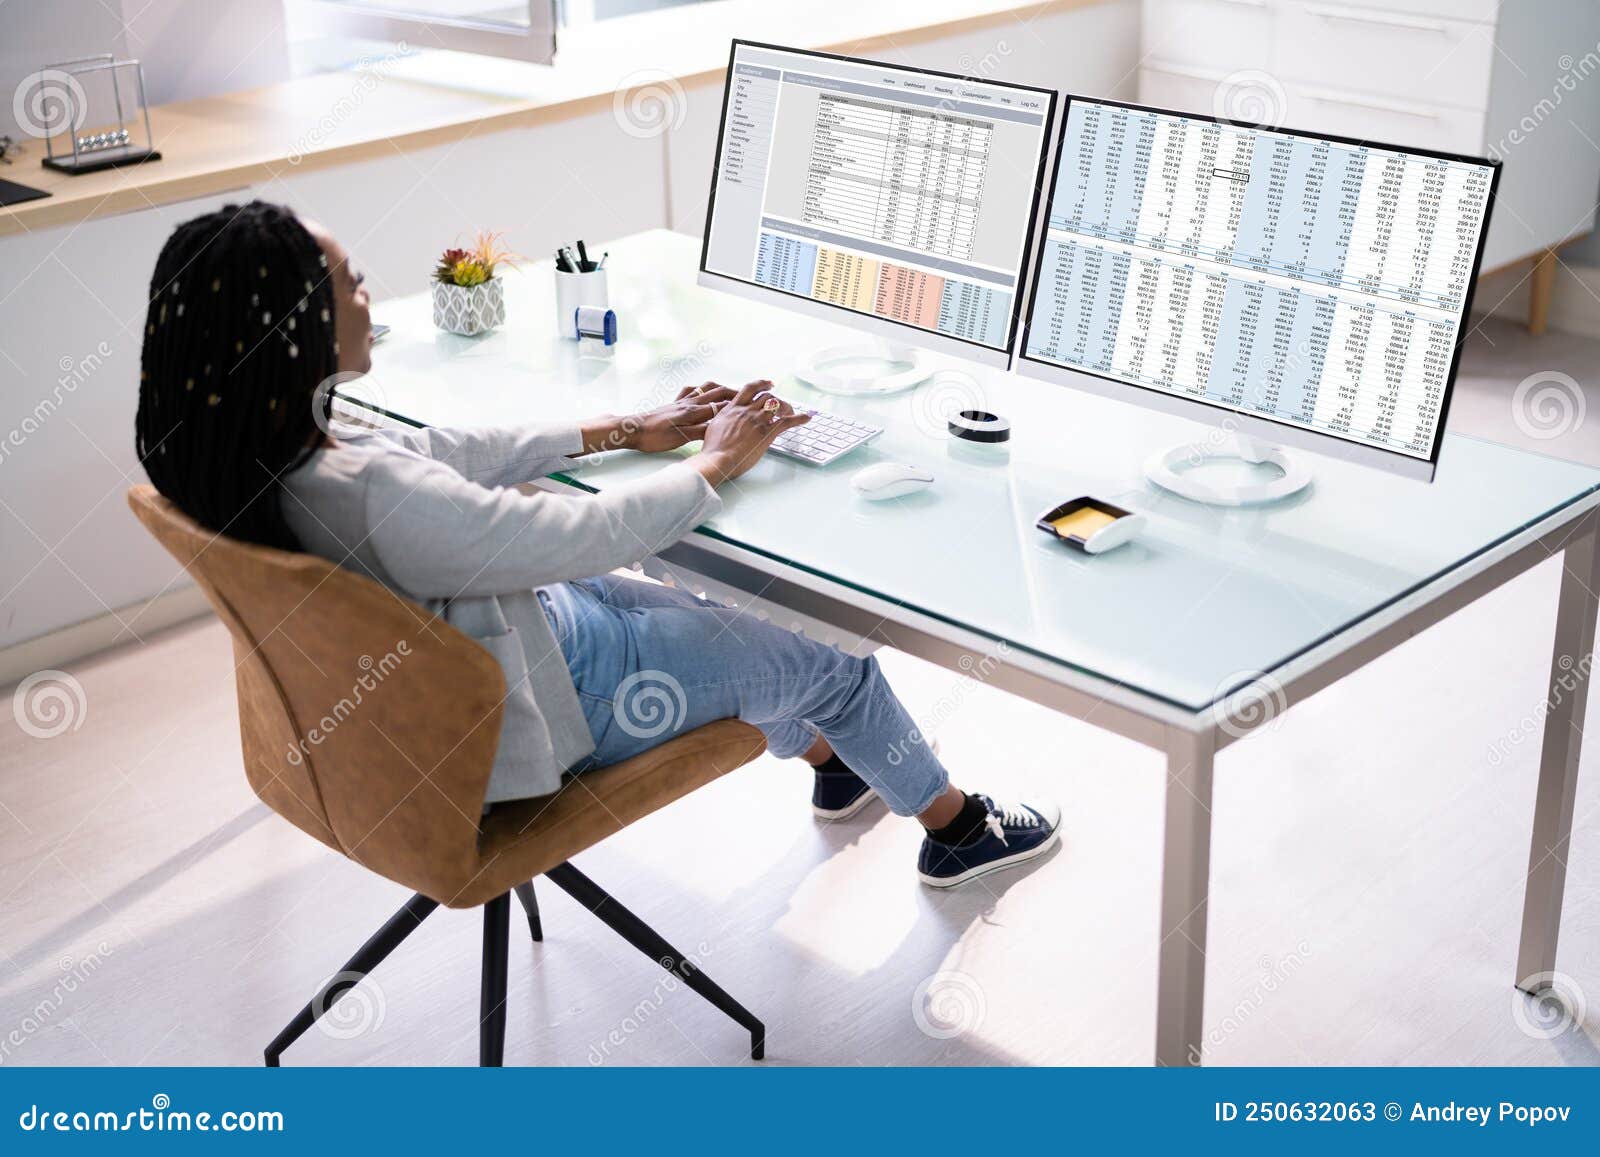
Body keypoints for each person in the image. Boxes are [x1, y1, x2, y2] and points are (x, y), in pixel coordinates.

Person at [134, 200, 1058, 888]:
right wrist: (717, 462)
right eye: (352, 284)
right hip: (553, 702)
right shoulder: (366, 490)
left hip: (508, 647)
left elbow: (442, 450)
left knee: (751, 624)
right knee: (837, 657)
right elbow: (577, 532)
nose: (372, 296)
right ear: (292, 332)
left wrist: (621, 427)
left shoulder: (255, 453)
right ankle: (960, 831)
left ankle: (837, 765)